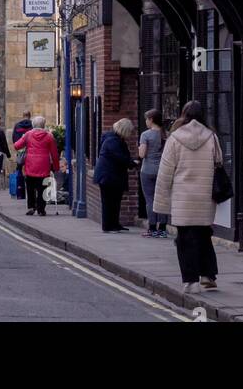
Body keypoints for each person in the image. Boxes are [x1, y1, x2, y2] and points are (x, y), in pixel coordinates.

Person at [153, 99, 222, 293]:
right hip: (205, 196)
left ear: (183, 115)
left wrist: (161, 205)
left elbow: (165, 173)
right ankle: (208, 274)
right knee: (203, 235)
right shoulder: (212, 137)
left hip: (182, 198)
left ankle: (191, 281)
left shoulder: (175, 139)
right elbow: (219, 163)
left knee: (184, 240)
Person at [92, 118, 137, 232]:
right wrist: (132, 163)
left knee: (115, 202)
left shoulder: (115, 139)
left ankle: (115, 224)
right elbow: (120, 157)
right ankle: (107, 227)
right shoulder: (113, 141)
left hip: (112, 175)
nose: (130, 134)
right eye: (129, 131)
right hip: (108, 176)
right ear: (124, 130)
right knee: (108, 203)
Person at [13, 114, 59, 217]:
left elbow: (16, 146)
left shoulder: (28, 134)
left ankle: (31, 207)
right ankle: (41, 209)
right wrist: (56, 167)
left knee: (30, 188)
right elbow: (54, 154)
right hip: (44, 166)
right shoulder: (49, 136)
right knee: (42, 188)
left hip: (30, 166)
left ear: (33, 124)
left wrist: (24, 140)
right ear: (43, 125)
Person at [138, 110, 169, 237]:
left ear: (151, 119)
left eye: (146, 119)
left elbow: (142, 154)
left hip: (147, 171)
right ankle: (162, 228)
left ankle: (152, 228)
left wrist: (140, 148)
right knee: (162, 199)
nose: (145, 122)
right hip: (163, 170)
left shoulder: (145, 135)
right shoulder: (167, 135)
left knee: (150, 199)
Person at [11, 110, 34, 201]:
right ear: (29, 116)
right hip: (31, 152)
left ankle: (20, 194)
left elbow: (14, 139)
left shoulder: (17, 125)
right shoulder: (33, 125)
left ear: (23, 115)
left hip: (20, 151)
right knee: (30, 172)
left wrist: (18, 149)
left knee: (19, 170)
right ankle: (31, 193)